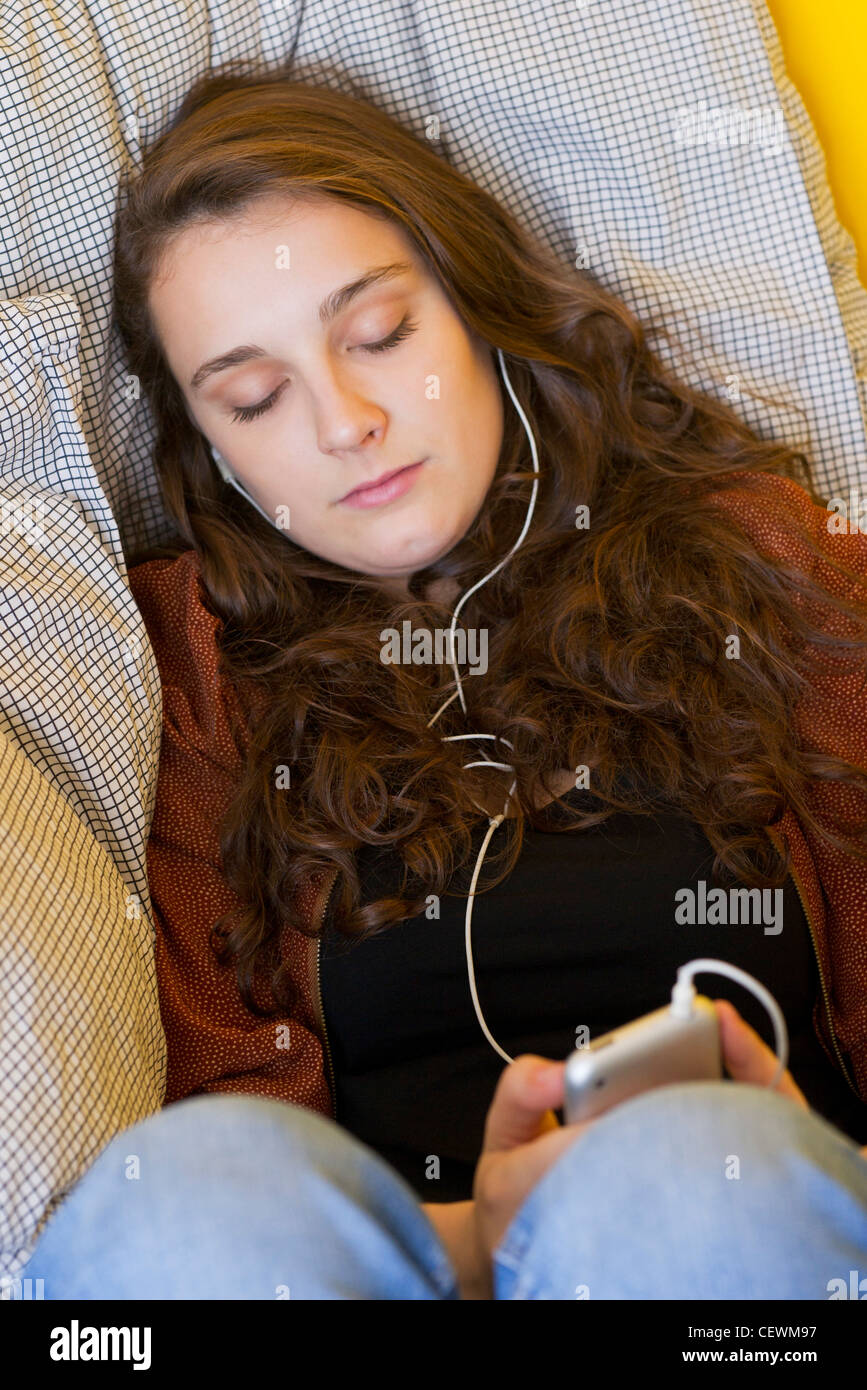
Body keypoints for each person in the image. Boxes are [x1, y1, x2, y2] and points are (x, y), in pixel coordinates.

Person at [28, 65, 867, 1299]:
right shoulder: (195, 682)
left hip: (750, 1263)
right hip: (390, 1276)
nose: (345, 418)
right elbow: (230, 1137)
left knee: (691, 1176)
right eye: (257, 397)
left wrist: (797, 1172)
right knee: (189, 1199)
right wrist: (478, 1239)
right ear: (214, 455)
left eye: (376, 333)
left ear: (472, 299)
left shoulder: (773, 571)